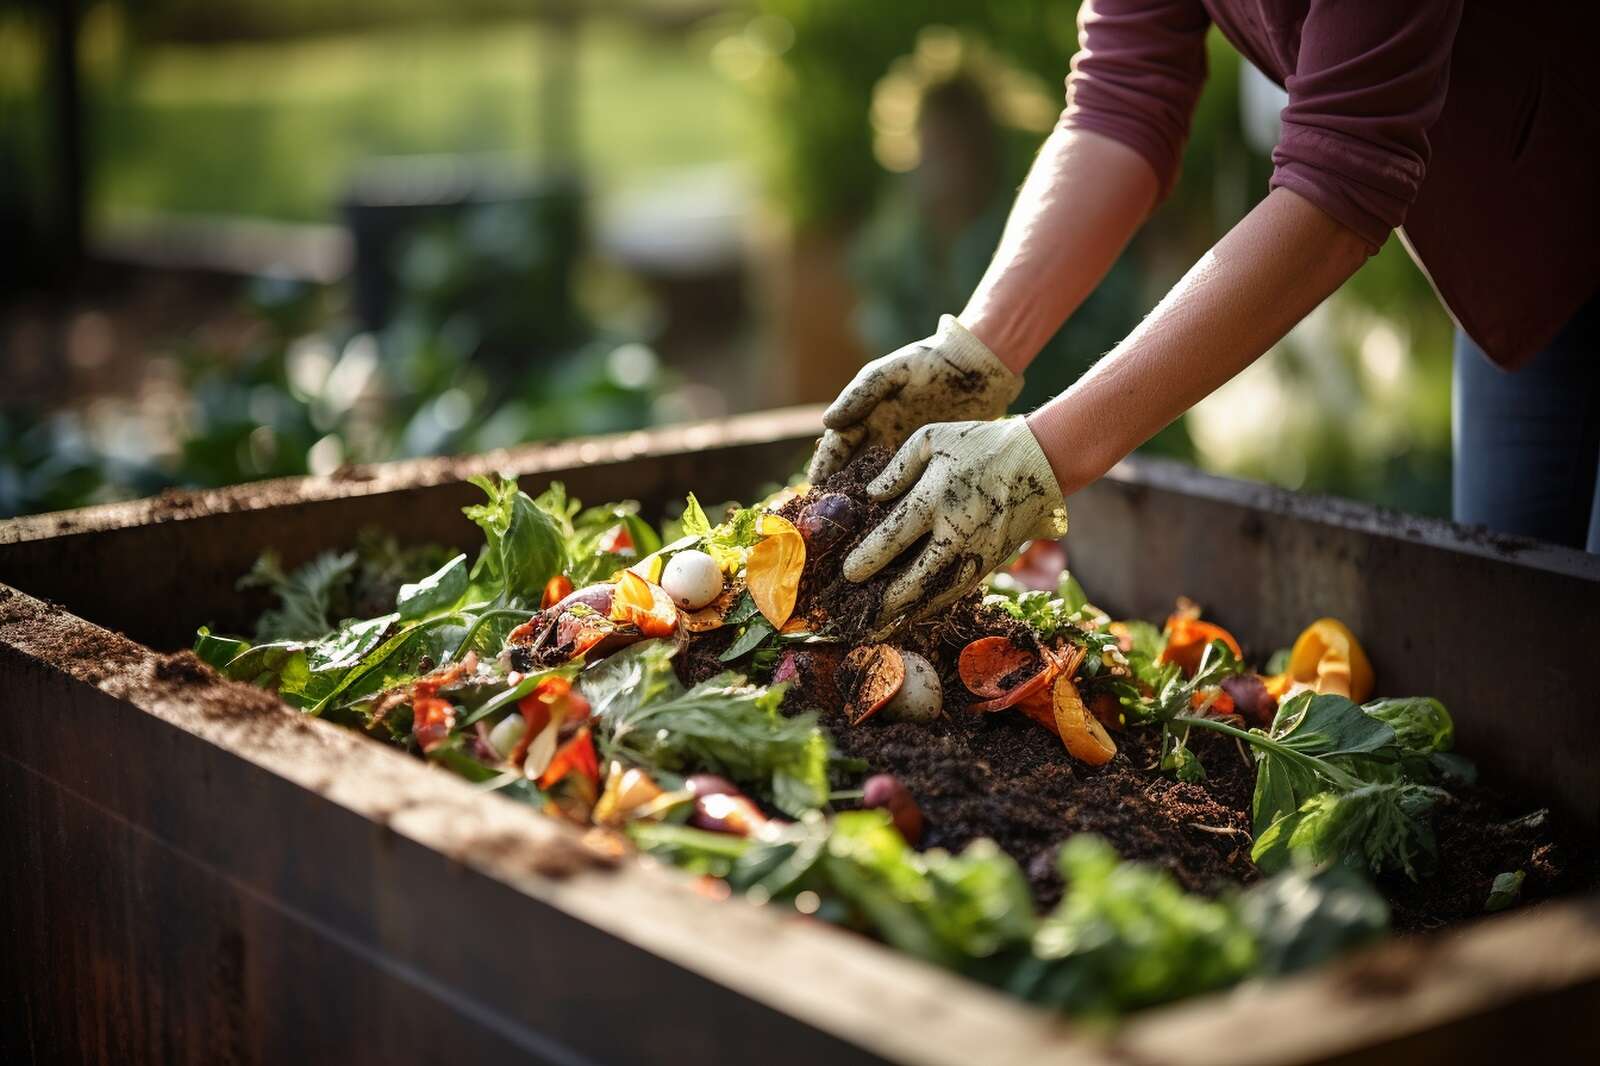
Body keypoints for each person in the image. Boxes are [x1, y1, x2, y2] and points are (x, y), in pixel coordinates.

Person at [810, 0, 1600, 625]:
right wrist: (975, 354)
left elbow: (1343, 178)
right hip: (1531, 254)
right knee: (1519, 634)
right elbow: (1125, 92)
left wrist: (1038, 459)